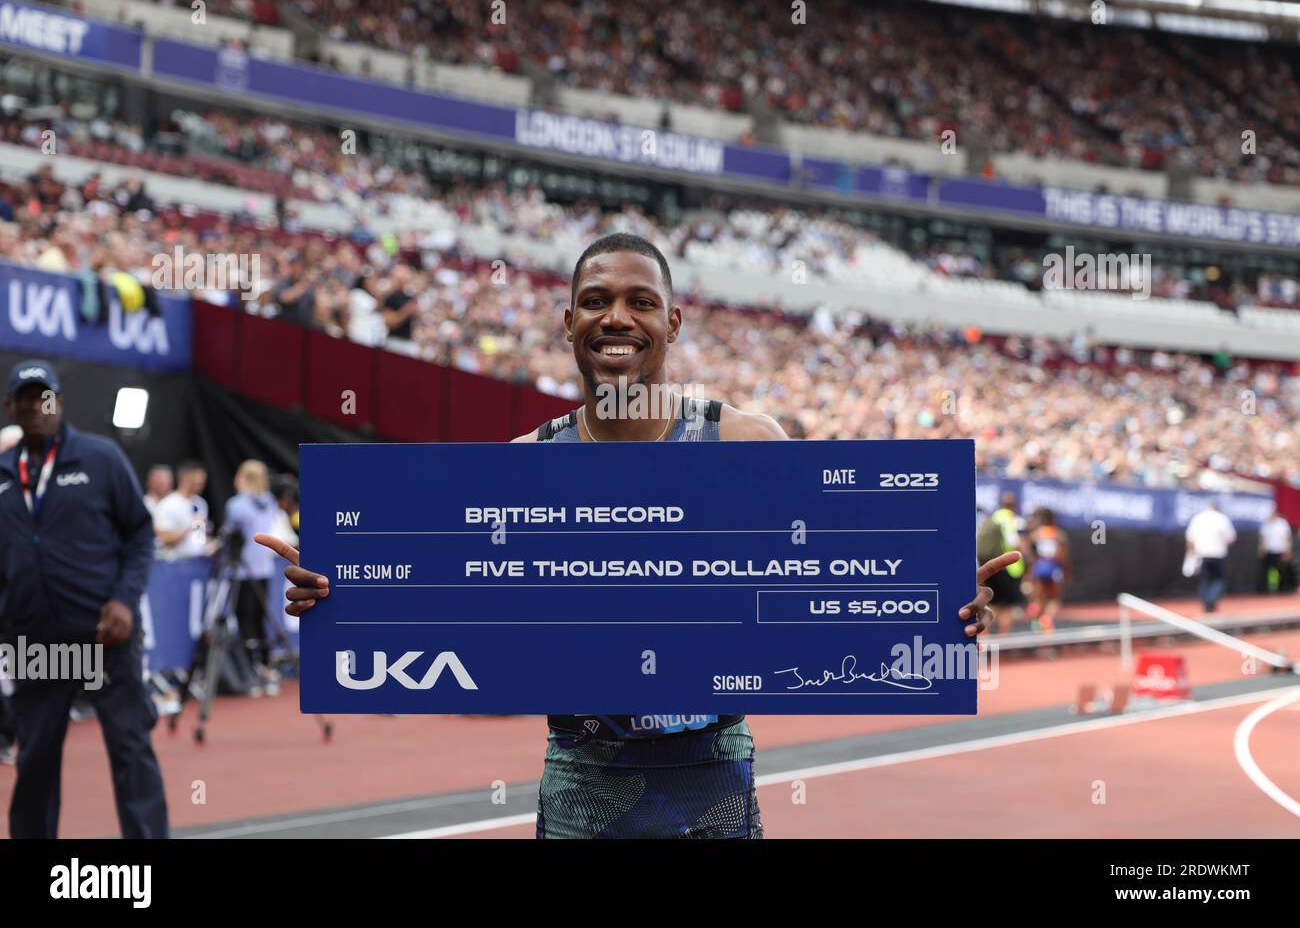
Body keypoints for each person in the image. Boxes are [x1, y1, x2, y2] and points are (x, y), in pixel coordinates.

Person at [255, 233, 1017, 839]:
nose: (616, 317)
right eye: (595, 301)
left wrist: (940, 610)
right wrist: (340, 597)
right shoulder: (526, 465)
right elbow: (450, 608)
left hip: (713, 780)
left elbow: (847, 578)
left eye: (639, 301)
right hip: (583, 784)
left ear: (672, 322)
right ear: (569, 324)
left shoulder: (746, 442)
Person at [0, 359, 168, 837]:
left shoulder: (101, 458)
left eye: (44, 396)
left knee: (130, 750)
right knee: (34, 759)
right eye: (26, 398)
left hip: (104, 635)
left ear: (60, 402)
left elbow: (140, 534)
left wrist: (123, 601)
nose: (36, 406)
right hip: (36, 645)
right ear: (10, 406)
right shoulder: (3, 473)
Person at [222, 460, 282, 696]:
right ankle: (266, 668)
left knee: (245, 621)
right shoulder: (270, 502)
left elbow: (229, 533)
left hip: (243, 570)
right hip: (264, 569)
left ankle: (249, 672)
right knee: (259, 619)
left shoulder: (237, 505)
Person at [980, 491, 1025, 632]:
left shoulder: (993, 517)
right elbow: (1014, 543)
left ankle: (982, 640)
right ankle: (1002, 647)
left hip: (989, 566)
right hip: (1008, 569)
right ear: (1015, 506)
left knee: (992, 605)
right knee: (1007, 608)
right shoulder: (1009, 518)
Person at [1185, 501, 1236, 613]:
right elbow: (1231, 538)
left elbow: (1190, 539)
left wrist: (1191, 553)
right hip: (1218, 554)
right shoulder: (1222, 519)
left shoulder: (1198, 518)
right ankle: (1211, 600)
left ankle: (1206, 602)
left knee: (1205, 580)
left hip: (1202, 554)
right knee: (1219, 580)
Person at [153, 460, 211, 558]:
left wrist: (210, 543)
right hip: (175, 563)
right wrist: (190, 527)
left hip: (199, 562)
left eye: (202, 482)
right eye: (196, 481)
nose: (200, 484)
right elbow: (164, 540)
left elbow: (199, 538)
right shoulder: (168, 504)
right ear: (184, 478)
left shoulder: (201, 503)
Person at [1025, 508, 1070, 632]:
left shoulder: (1035, 534)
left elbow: (1030, 556)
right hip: (1053, 566)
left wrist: (1029, 575)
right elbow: (1063, 557)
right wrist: (1066, 573)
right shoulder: (1059, 534)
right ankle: (1046, 620)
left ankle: (1037, 621)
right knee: (1054, 599)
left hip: (1039, 566)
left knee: (1039, 598)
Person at [1258, 507, 1294, 594]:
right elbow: (1262, 538)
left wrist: (1288, 549)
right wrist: (1261, 549)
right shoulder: (1265, 524)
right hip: (1269, 551)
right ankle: (1270, 588)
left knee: (1282, 570)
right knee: (1269, 571)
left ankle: (1284, 588)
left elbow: (1288, 537)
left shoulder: (1282, 523)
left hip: (1280, 550)